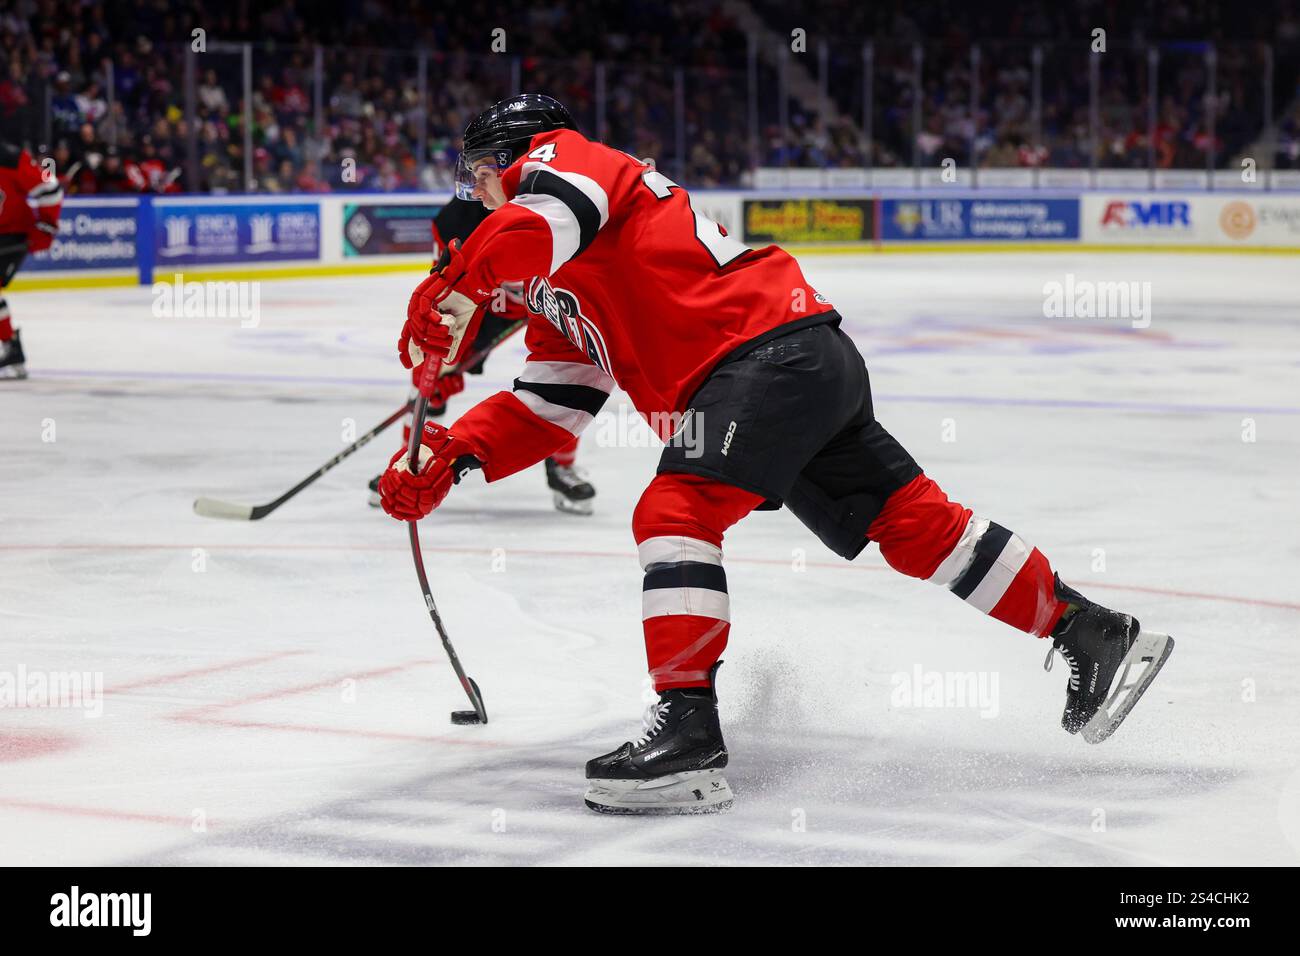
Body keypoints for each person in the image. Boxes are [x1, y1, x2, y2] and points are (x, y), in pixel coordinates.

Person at [378, 94, 1174, 814]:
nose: (472, 193)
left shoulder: (565, 164)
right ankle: (1089, 629)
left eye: (478, 174)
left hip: (755, 361)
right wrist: (451, 455)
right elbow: (551, 406)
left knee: (676, 509)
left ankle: (687, 731)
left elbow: (532, 224)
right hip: (796, 361)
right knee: (914, 525)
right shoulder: (557, 281)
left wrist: (457, 283)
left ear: (511, 157)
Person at [367, 194, 596, 514]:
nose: (477, 185)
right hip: (479, 306)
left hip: (550, 299)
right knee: (431, 377)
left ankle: (562, 467)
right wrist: (440, 369)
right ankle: (411, 462)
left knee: (568, 371)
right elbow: (442, 307)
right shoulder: (455, 221)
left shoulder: (560, 206)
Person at [0, 142, 64, 379]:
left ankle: (12, 351)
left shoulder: (10, 156)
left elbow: (51, 187)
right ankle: (11, 349)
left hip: (11, 235)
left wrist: (47, 225)